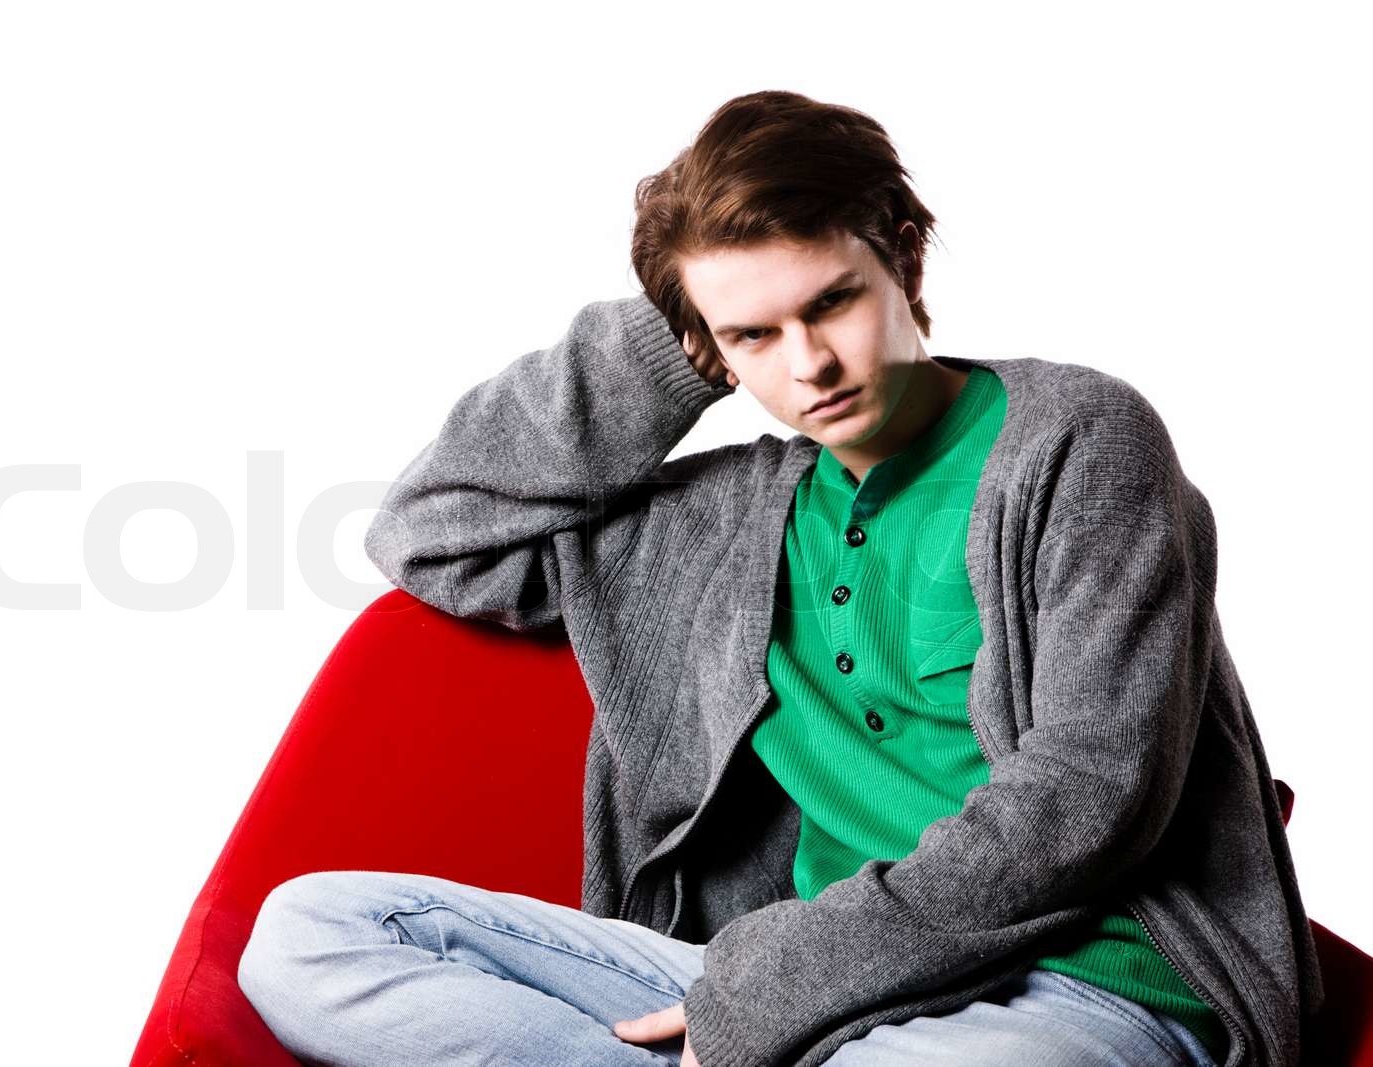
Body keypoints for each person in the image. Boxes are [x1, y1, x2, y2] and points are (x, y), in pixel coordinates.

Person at [236, 90, 1323, 1066]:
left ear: (903, 258)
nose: (807, 365)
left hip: (1075, 988)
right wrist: (679, 333)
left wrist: (769, 989)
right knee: (311, 936)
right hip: (773, 987)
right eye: (751, 335)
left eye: (829, 303)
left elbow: (1088, 793)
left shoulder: (1073, 438)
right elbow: (433, 529)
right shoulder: (719, 521)